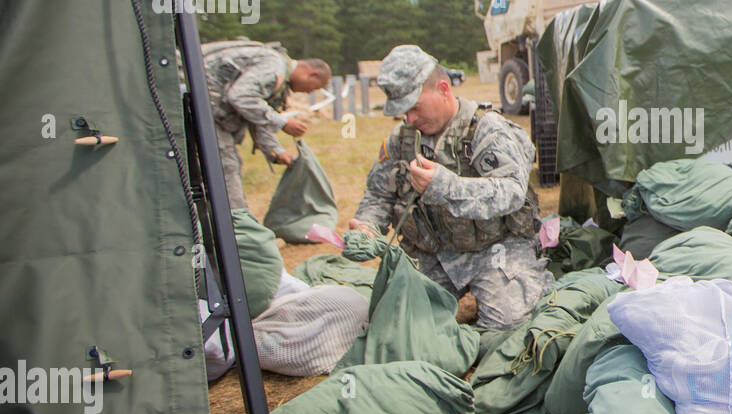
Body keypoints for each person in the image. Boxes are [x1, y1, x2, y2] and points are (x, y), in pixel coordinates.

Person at [349, 44, 551, 330]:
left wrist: (446, 186)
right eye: (403, 112)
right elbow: (378, 194)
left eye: (415, 108)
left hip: (494, 248)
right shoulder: (402, 140)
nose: (410, 119)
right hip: (432, 254)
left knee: (509, 326)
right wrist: (368, 227)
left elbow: (512, 192)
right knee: (395, 328)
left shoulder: (487, 129)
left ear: (443, 89)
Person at [202, 40, 331, 210]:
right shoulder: (274, 66)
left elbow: (256, 117)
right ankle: (236, 226)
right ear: (312, 74)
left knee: (224, 168)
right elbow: (241, 97)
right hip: (207, 116)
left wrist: (276, 152)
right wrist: (282, 122)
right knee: (226, 169)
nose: (308, 92)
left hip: (207, 116)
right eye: (314, 88)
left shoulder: (278, 74)